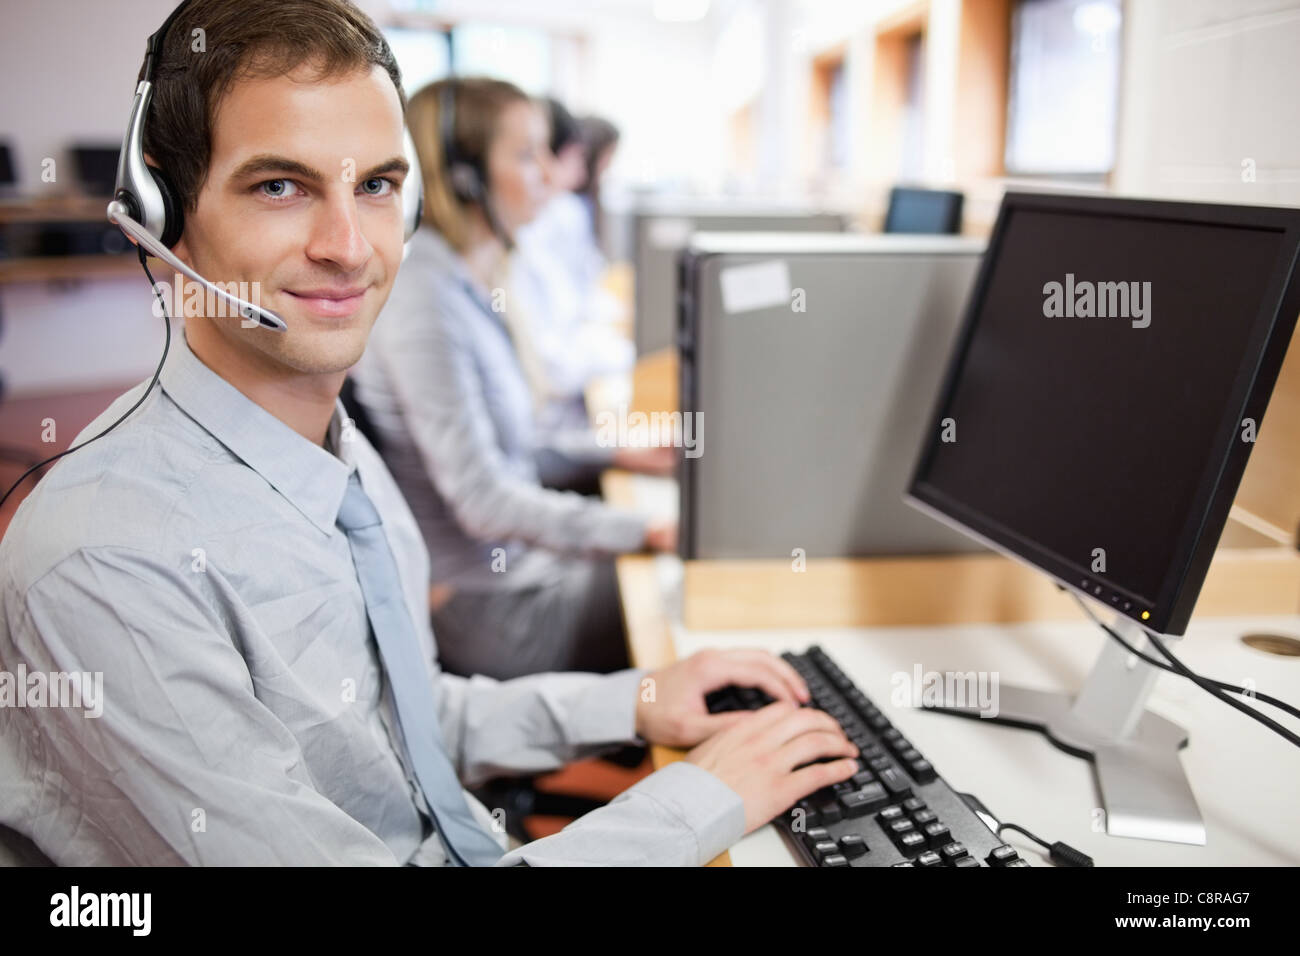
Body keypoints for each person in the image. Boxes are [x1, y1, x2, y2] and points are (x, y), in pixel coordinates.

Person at [0, 0, 859, 867]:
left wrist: (636, 701)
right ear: (158, 208)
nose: (348, 246)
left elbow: (402, 721)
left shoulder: (331, 448)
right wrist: (697, 802)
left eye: (375, 185)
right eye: (279, 186)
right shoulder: (106, 563)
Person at [351, 78, 671, 681]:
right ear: (467, 176)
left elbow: (515, 449)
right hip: (498, 610)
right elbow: (483, 499)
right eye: (528, 155)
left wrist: (615, 451)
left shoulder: (471, 278)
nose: (552, 175)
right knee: (677, 586)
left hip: (527, 575)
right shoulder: (425, 301)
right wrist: (644, 526)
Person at [507, 98, 634, 493]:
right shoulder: (525, 243)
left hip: (554, 435)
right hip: (547, 441)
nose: (548, 174)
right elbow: (552, 369)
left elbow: (576, 304)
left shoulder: (544, 226)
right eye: (529, 157)